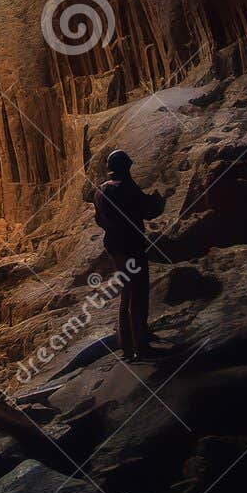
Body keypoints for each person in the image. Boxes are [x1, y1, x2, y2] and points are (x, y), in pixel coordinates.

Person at [93, 148, 164, 361]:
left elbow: (99, 220)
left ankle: (125, 346)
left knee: (126, 293)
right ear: (125, 166)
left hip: (114, 246)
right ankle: (141, 346)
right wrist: (158, 200)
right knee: (138, 294)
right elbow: (147, 210)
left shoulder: (100, 190)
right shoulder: (126, 187)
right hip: (131, 245)